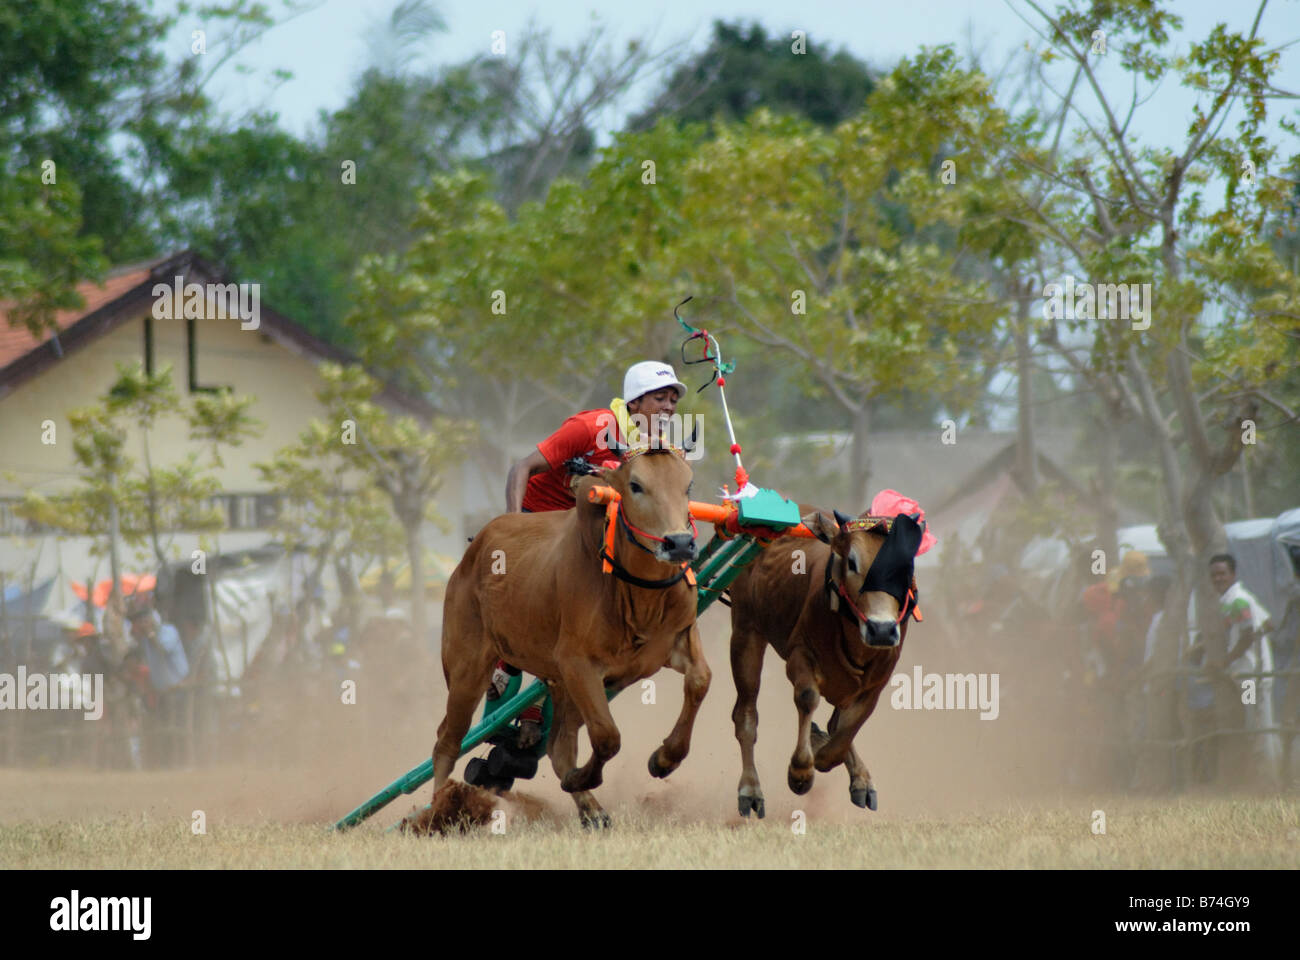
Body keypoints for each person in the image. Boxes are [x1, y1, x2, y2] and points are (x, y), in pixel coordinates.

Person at [488, 361, 689, 746]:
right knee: (547, 617)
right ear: (633, 403)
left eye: (673, 401)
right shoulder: (592, 427)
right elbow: (521, 467)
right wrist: (515, 528)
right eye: (660, 398)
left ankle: (551, 705)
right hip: (539, 528)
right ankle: (508, 689)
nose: (669, 408)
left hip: (584, 533)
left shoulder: (661, 448)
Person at [1197, 553, 1281, 785]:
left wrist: (1226, 660)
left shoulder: (1238, 600)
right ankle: (1269, 777)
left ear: (1233, 575)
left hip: (1250, 676)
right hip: (1253, 671)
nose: (1218, 578)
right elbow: (1267, 624)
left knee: (1256, 724)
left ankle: (1267, 781)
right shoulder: (1241, 598)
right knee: (1261, 721)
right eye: (1214, 575)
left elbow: (1247, 634)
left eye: (1223, 573)